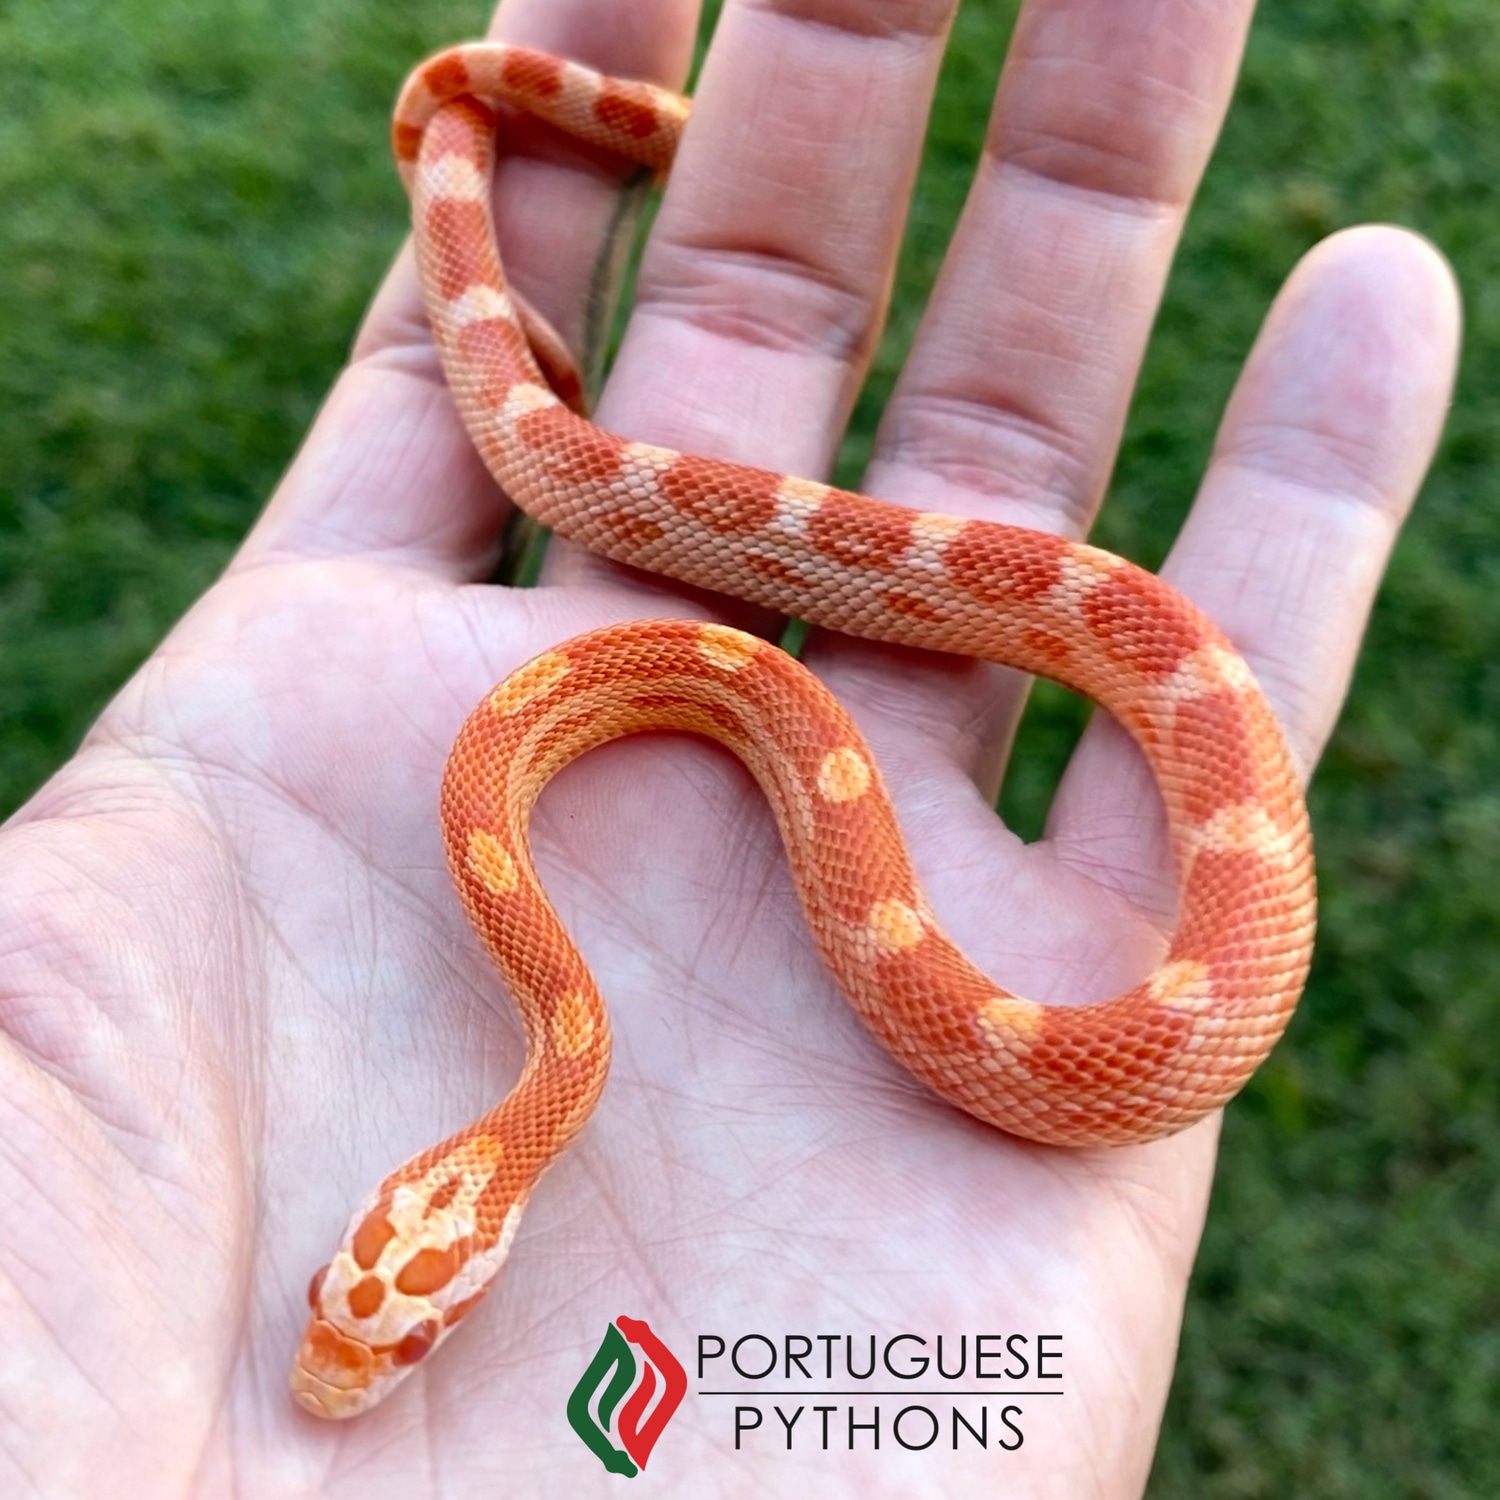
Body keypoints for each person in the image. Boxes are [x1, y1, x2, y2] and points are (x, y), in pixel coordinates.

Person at [0, 0, 1459, 1493]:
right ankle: (478, 126)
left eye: (360, 1314)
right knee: (523, 363)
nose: (343, 1353)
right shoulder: (545, 1034)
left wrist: (464, 121)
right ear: (448, 1232)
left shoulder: (538, 976)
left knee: (543, 358)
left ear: (418, 1215)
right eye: (387, 1330)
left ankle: (484, 117)